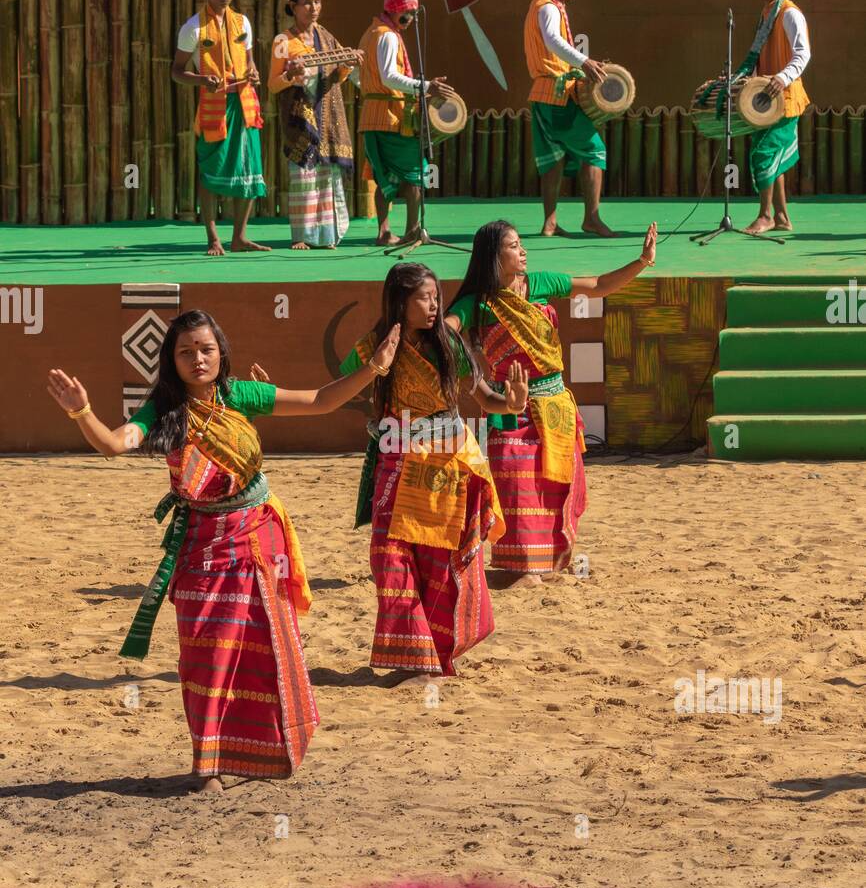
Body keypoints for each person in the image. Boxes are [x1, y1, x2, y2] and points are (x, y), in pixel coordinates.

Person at [46, 310, 399, 792]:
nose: (197, 359)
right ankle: (208, 763)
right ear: (171, 359)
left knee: (263, 644)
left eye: (206, 349)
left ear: (221, 353)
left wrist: (374, 368)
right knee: (204, 653)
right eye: (186, 351)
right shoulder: (163, 408)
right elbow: (114, 443)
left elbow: (319, 400)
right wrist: (82, 411)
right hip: (200, 544)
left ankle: (260, 752)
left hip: (257, 533)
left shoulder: (241, 396)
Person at [338, 263, 528, 678]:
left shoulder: (449, 343)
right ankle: (411, 655)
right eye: (424, 297)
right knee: (389, 557)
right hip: (397, 457)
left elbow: (486, 399)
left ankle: (435, 656)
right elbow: (342, 387)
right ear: (399, 302)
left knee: (439, 559)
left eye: (436, 297)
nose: (434, 305)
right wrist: (374, 365)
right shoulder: (374, 344)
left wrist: (511, 403)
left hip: (447, 458)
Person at [446, 221, 657, 584]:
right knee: (514, 488)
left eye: (521, 243)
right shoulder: (477, 303)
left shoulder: (541, 283)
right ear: (494, 257)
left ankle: (550, 565)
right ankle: (519, 569)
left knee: (551, 489)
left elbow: (600, 286)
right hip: (508, 408)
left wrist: (642, 261)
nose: (523, 251)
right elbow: (445, 330)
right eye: (514, 246)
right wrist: (469, 364)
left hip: (554, 405)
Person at [172, 0, 279, 257]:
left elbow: (248, 60)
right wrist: (202, 81)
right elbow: (176, 71)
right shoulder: (193, 27)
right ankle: (212, 238)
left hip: (245, 104)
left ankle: (239, 237)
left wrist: (254, 72)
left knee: (249, 169)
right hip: (214, 107)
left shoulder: (242, 22)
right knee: (211, 170)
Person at [357, 0, 456, 246]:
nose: (410, 19)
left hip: (373, 116)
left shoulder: (372, 32)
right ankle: (413, 230)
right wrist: (426, 87)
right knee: (415, 173)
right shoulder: (387, 37)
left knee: (383, 175)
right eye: (406, 14)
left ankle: (384, 231)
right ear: (393, 10)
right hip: (391, 117)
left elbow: (361, 75)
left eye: (413, 14)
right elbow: (389, 77)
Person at [524, 0, 613, 239]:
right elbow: (552, 41)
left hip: (541, 95)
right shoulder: (548, 7)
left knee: (553, 157)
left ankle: (549, 223)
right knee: (595, 150)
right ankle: (592, 218)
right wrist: (584, 61)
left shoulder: (541, 4)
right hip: (557, 95)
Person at [268, 0, 362, 250]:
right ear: (293, 7)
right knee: (303, 176)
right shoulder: (282, 42)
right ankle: (301, 236)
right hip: (301, 118)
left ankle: (327, 236)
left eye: (318, 2)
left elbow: (336, 77)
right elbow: (273, 84)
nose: (314, 8)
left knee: (326, 177)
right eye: (307, 3)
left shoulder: (327, 37)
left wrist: (347, 65)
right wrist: (290, 75)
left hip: (327, 117)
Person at [742, 0, 811, 235]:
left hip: (785, 98)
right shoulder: (767, 13)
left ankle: (765, 215)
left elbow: (803, 53)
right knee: (775, 158)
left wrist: (783, 77)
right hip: (767, 99)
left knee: (764, 154)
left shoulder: (789, 13)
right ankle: (781, 217)